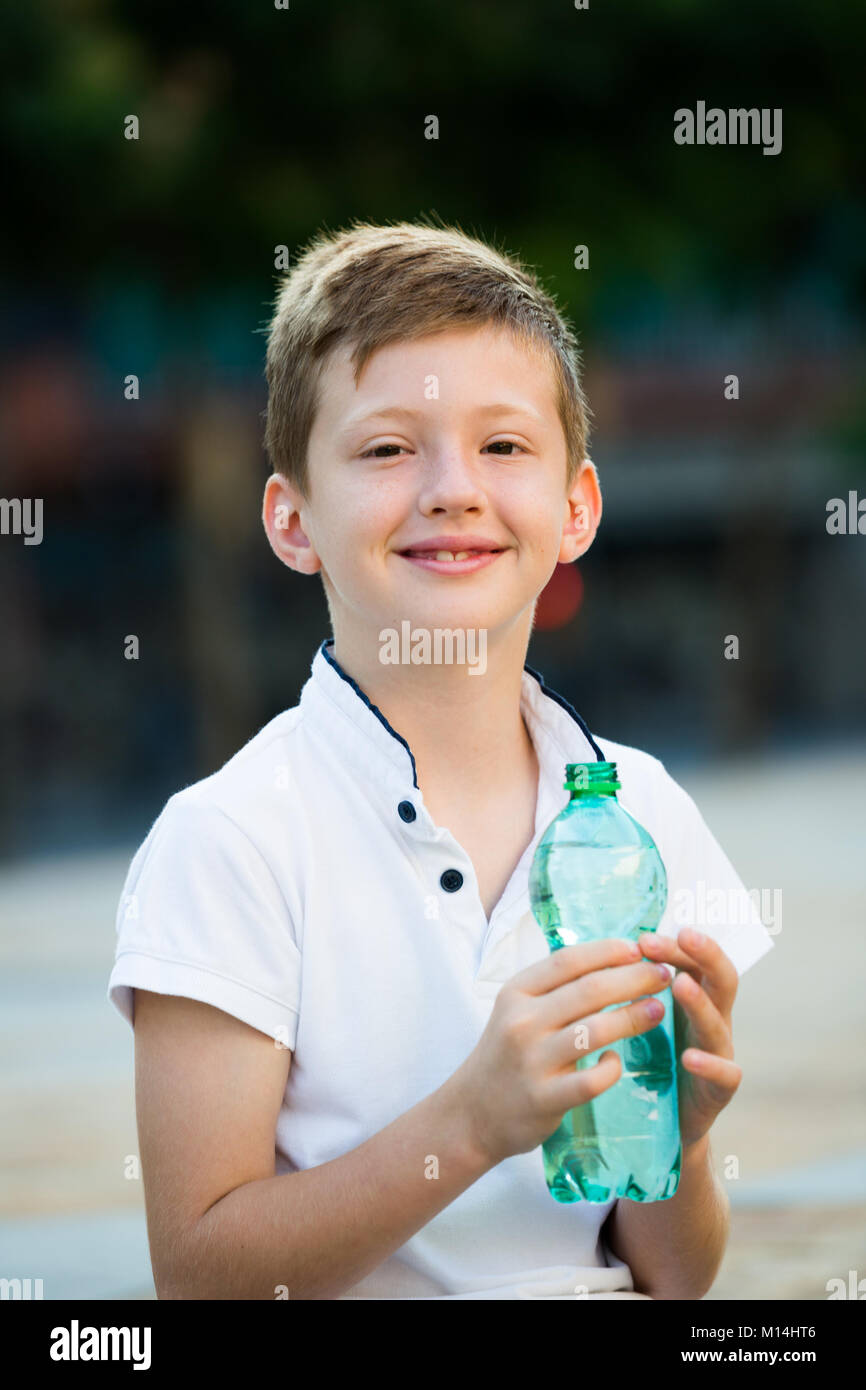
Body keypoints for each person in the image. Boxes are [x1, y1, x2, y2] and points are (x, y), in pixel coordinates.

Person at [107, 219, 774, 1300]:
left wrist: (678, 1148)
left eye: (502, 445)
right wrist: (466, 1125)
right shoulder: (231, 838)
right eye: (384, 449)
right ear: (291, 520)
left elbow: (676, 1280)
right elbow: (200, 1278)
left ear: (575, 508)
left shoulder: (641, 805)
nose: (451, 488)